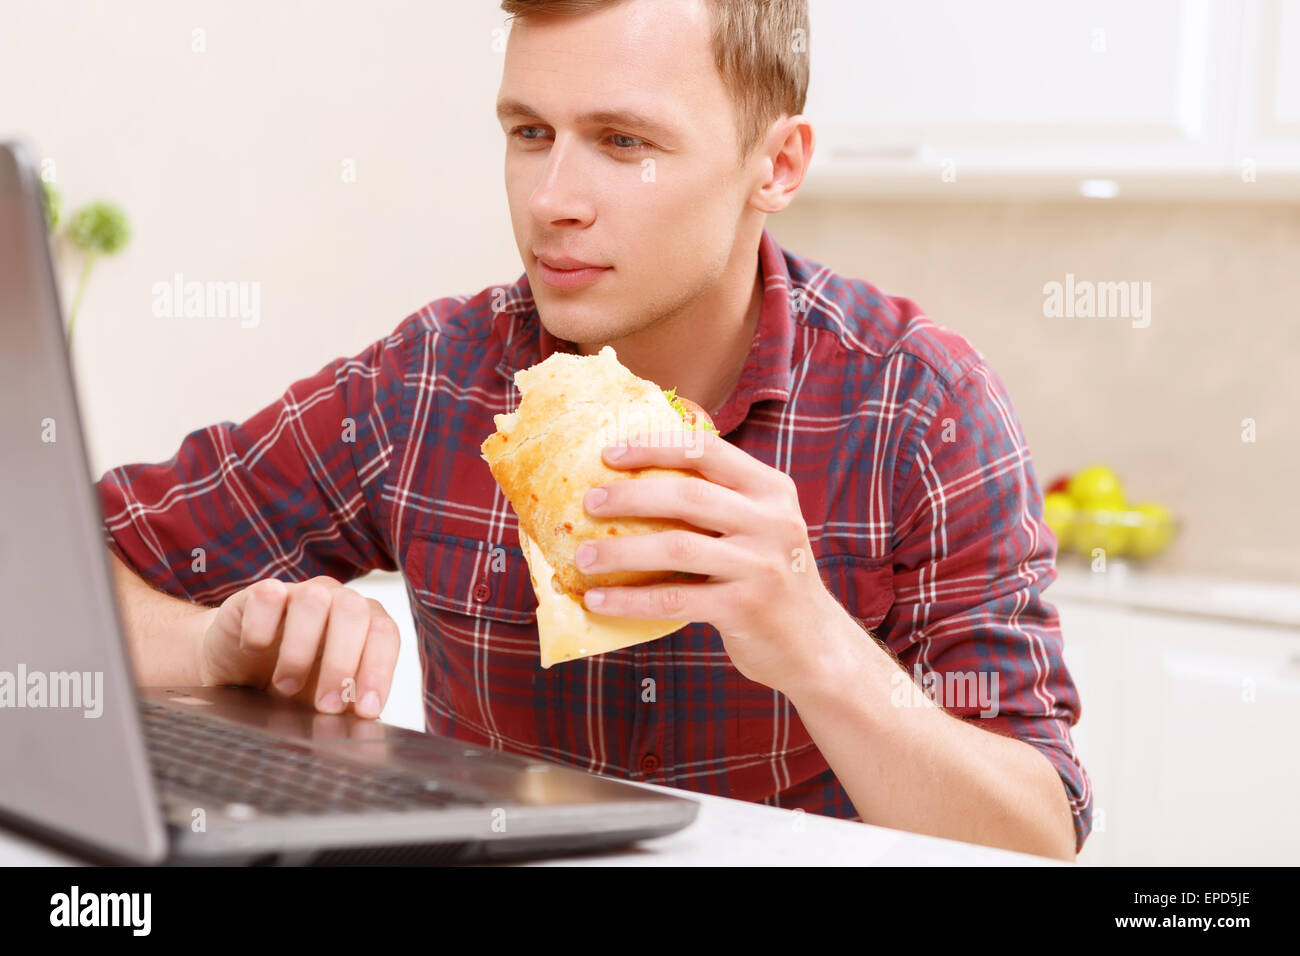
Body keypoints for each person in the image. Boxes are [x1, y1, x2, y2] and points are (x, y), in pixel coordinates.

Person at [98, 0, 1090, 860]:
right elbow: (50, 578)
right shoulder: (426, 382)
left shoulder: (919, 405)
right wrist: (215, 645)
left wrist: (811, 640)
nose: (551, 201)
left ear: (776, 163)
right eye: (529, 132)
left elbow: (1033, 833)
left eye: (624, 143)